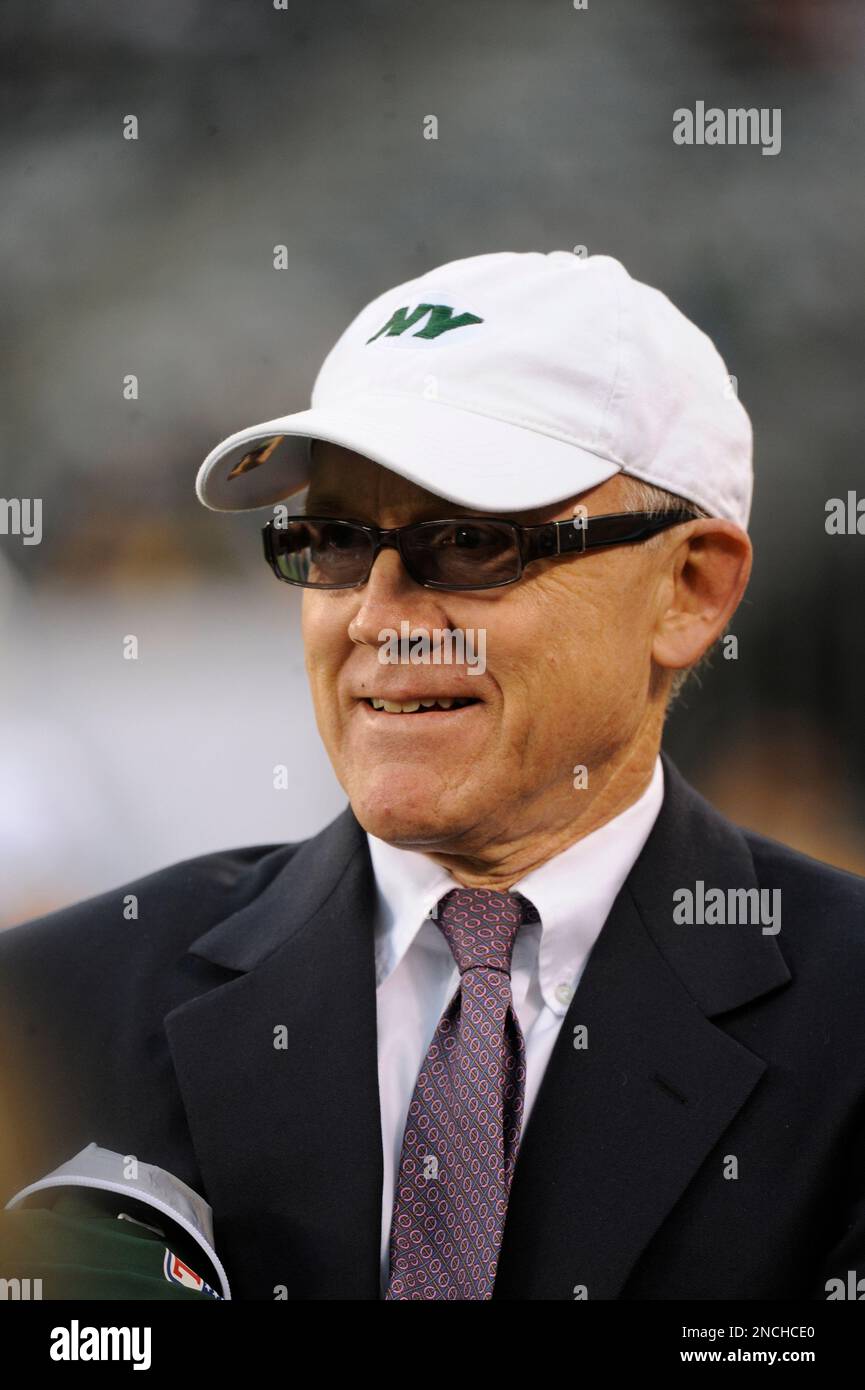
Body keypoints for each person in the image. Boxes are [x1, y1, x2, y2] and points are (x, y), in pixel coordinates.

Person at [2, 251, 864, 1301]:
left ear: (690, 589)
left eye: (468, 543)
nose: (375, 617)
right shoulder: (43, 1012)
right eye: (329, 541)